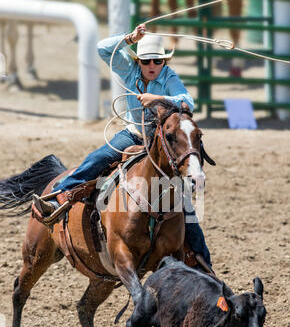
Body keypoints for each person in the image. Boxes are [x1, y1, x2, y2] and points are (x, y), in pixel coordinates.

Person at [32, 24, 212, 269]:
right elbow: (103, 49)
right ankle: (58, 197)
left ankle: (204, 265)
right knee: (97, 160)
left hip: (162, 144)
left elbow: (187, 101)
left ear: (163, 62)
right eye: (147, 61)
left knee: (185, 208)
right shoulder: (128, 70)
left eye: (157, 61)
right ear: (138, 61)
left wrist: (158, 100)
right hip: (134, 134)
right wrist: (130, 38)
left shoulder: (168, 77)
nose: (152, 66)